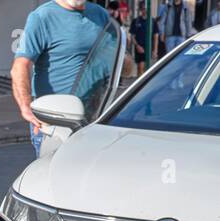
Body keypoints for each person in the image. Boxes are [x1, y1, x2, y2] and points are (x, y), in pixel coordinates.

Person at [12, 0, 114, 157]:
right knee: (55, 177)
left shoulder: (100, 15)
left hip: (94, 120)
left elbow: (117, 58)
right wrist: (26, 107)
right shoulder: (42, 17)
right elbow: (20, 66)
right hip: (56, 123)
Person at [130, 2, 150, 75]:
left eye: (146, 9)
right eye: (143, 9)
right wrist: (137, 46)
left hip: (148, 47)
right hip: (139, 47)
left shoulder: (152, 21)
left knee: (145, 67)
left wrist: (155, 49)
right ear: (141, 10)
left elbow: (155, 36)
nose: (145, 11)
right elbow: (132, 36)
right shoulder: (136, 21)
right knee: (140, 67)